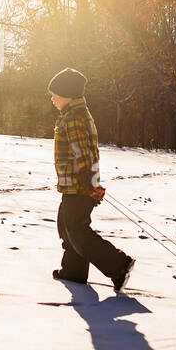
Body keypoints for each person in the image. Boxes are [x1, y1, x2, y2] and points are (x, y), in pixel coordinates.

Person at [47, 67, 135, 292]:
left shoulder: (74, 117)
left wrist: (88, 183)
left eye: (55, 93)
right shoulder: (75, 114)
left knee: (77, 232)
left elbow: (84, 153)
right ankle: (74, 272)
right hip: (75, 186)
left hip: (78, 186)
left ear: (67, 94)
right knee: (68, 228)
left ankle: (118, 264)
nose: (52, 98)